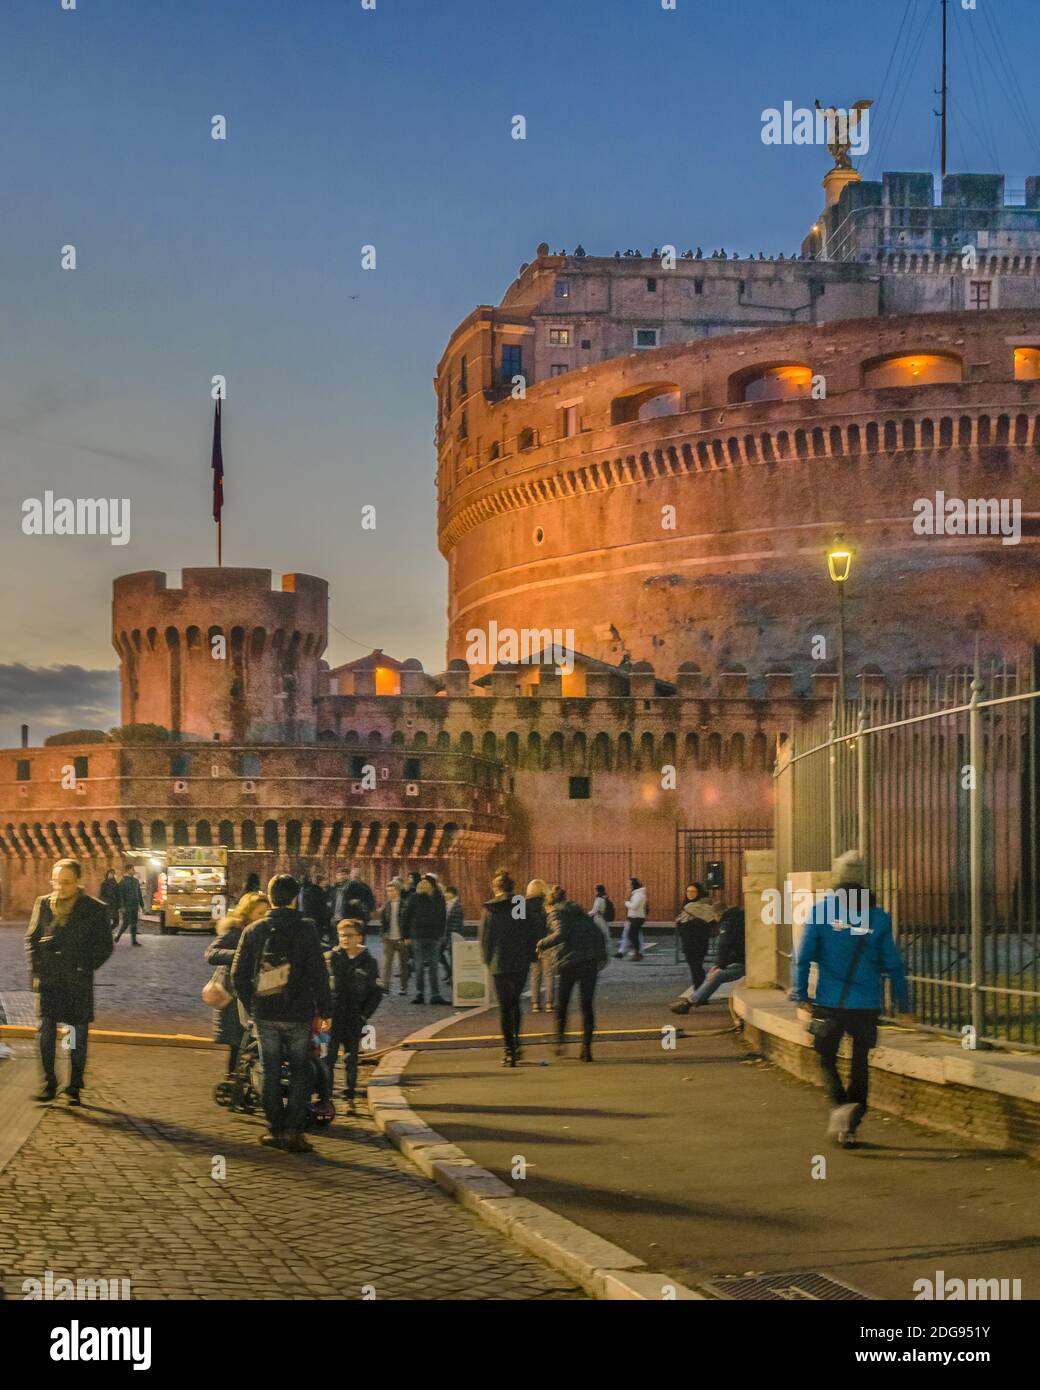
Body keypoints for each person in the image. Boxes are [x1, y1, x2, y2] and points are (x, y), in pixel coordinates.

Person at [790, 851, 913, 1149]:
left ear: (837, 877)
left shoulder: (820, 912)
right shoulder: (878, 917)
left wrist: (801, 994)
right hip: (866, 1005)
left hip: (829, 1003)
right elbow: (894, 965)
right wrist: (904, 1005)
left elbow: (803, 958)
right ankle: (852, 1124)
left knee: (826, 1059)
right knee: (860, 1063)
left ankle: (839, 1106)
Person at [231, 874, 332, 1154]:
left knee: (271, 1069)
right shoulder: (307, 929)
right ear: (294, 898)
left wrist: (251, 1004)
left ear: (270, 896)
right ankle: (294, 1130)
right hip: (299, 1013)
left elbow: (237, 974)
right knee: (301, 1070)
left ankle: (275, 1128)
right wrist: (325, 1009)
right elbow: (318, 973)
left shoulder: (254, 930)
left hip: (265, 1013)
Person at [25, 858, 113, 1104]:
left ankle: (74, 1085)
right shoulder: (43, 904)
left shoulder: (93, 908)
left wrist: (84, 966)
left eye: (65, 882)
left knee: (74, 1035)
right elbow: (31, 939)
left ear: (78, 882)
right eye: (55, 881)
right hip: (50, 982)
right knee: (46, 1032)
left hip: (76, 983)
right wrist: (36, 972)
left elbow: (104, 946)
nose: (59, 887)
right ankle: (49, 1083)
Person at [537, 886, 608, 1061]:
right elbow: (597, 933)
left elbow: (561, 933)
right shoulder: (580, 912)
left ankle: (560, 1040)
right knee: (586, 1005)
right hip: (590, 961)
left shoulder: (556, 912)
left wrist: (542, 943)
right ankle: (586, 1048)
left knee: (563, 1003)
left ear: (549, 903)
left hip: (570, 962)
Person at [479, 869, 539, 1067]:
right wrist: (530, 955)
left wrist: (488, 960)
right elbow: (523, 931)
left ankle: (508, 1051)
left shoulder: (490, 909)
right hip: (519, 961)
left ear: (495, 888)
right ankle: (517, 1044)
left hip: (499, 962)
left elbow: (486, 939)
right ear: (512, 887)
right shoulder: (518, 904)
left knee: (504, 1007)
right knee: (515, 1003)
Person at [205, 891, 269, 1075]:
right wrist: (241, 956)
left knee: (253, 1044)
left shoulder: (264, 931)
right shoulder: (236, 931)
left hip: (256, 992)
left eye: (266, 913)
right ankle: (234, 1082)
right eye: (259, 913)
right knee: (238, 1044)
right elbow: (212, 954)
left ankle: (248, 1083)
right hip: (235, 996)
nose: (263, 917)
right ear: (247, 913)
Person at [325, 918, 383, 1104]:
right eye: (341, 935)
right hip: (332, 1019)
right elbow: (322, 987)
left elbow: (375, 993)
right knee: (328, 1058)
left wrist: (364, 1015)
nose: (345, 939)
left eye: (349, 935)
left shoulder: (368, 962)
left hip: (354, 1018)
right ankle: (326, 1094)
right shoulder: (331, 959)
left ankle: (349, 1092)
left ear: (359, 937)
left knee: (351, 1058)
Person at [671, 906, 745, 1012]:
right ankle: (691, 1001)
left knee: (717, 975)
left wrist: (720, 965)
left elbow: (724, 945)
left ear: (718, 915)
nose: (714, 920)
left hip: (744, 962)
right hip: (743, 959)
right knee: (715, 975)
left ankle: (689, 1003)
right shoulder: (737, 920)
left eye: (714, 917)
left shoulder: (728, 923)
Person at [669, 883, 722, 1011]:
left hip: (698, 941)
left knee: (696, 968)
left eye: (693, 892)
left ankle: (700, 995)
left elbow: (710, 923)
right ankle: (700, 994)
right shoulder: (687, 906)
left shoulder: (703, 907)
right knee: (696, 968)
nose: (690, 894)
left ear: (699, 893)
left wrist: (693, 924)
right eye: (688, 891)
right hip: (689, 941)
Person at [403, 873, 448, 1004]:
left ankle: (435, 995)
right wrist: (406, 936)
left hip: (434, 936)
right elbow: (406, 917)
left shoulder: (439, 899)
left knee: (434, 966)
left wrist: (441, 934)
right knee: (419, 966)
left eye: (425, 883)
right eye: (421, 883)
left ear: (432, 886)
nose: (422, 885)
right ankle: (420, 994)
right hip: (417, 936)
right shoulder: (414, 898)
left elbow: (443, 917)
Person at [524, 878, 553, 1012]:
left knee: (535, 974)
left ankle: (535, 1003)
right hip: (547, 942)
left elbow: (519, 925)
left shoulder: (523, 904)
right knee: (548, 974)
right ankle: (549, 1003)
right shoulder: (547, 904)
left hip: (531, 943)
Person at [379, 878, 411, 995]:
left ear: (397, 891)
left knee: (404, 964)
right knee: (387, 965)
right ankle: (385, 987)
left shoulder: (405, 905)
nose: (389, 893)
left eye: (392, 890)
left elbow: (409, 922)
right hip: (389, 939)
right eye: (388, 891)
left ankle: (404, 987)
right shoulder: (386, 906)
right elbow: (383, 922)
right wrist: (383, 935)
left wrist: (408, 937)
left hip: (401, 939)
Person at [617, 877, 648, 961]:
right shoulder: (636, 893)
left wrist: (626, 903)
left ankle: (637, 953)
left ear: (633, 885)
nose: (627, 885)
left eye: (629, 884)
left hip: (636, 918)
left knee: (633, 936)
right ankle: (636, 953)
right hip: (634, 917)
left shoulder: (638, 894)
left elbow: (634, 906)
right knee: (633, 935)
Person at [114, 865, 145, 946]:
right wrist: (122, 906)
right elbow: (120, 895)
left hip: (135, 905)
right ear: (128, 870)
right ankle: (118, 936)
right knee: (126, 923)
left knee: (134, 923)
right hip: (127, 906)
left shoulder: (136, 881)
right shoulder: (123, 881)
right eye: (132, 869)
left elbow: (139, 894)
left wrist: (142, 905)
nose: (134, 871)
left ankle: (134, 941)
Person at [442, 884, 464, 995]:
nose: (445, 894)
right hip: (445, 936)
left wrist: (450, 936)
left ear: (451, 894)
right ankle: (450, 973)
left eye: (446, 892)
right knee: (439, 953)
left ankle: (453, 977)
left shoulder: (457, 906)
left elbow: (456, 924)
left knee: (453, 957)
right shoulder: (446, 904)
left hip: (453, 936)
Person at [300, 873, 333, 946]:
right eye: (324, 880)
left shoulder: (307, 891)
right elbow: (322, 910)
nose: (326, 882)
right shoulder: (320, 893)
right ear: (320, 882)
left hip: (307, 918)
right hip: (317, 920)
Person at [590, 883, 613, 951]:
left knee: (601, 933)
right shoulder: (604, 897)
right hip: (604, 917)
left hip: (599, 918)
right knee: (606, 932)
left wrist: (586, 914)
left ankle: (603, 948)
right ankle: (607, 948)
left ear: (597, 891)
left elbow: (594, 910)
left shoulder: (599, 899)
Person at [99, 869, 120, 933]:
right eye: (110, 873)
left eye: (113, 874)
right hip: (107, 905)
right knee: (107, 920)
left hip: (114, 905)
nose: (112, 875)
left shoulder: (115, 883)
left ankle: (108, 931)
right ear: (107, 874)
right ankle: (106, 932)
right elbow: (101, 895)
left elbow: (118, 894)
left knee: (116, 922)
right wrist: (104, 903)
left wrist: (118, 904)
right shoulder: (104, 883)